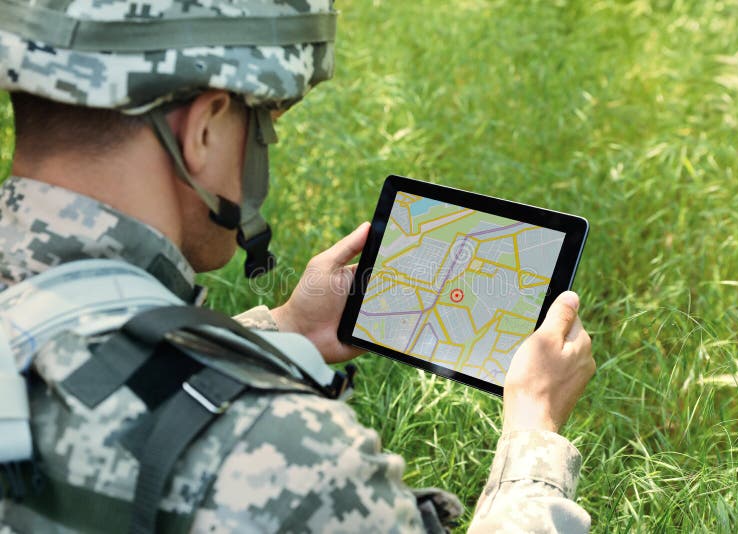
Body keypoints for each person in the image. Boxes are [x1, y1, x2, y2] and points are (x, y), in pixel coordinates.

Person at [0, 0, 596, 532]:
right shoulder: (287, 459)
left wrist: (284, 330)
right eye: (266, 129)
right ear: (204, 130)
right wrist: (533, 433)